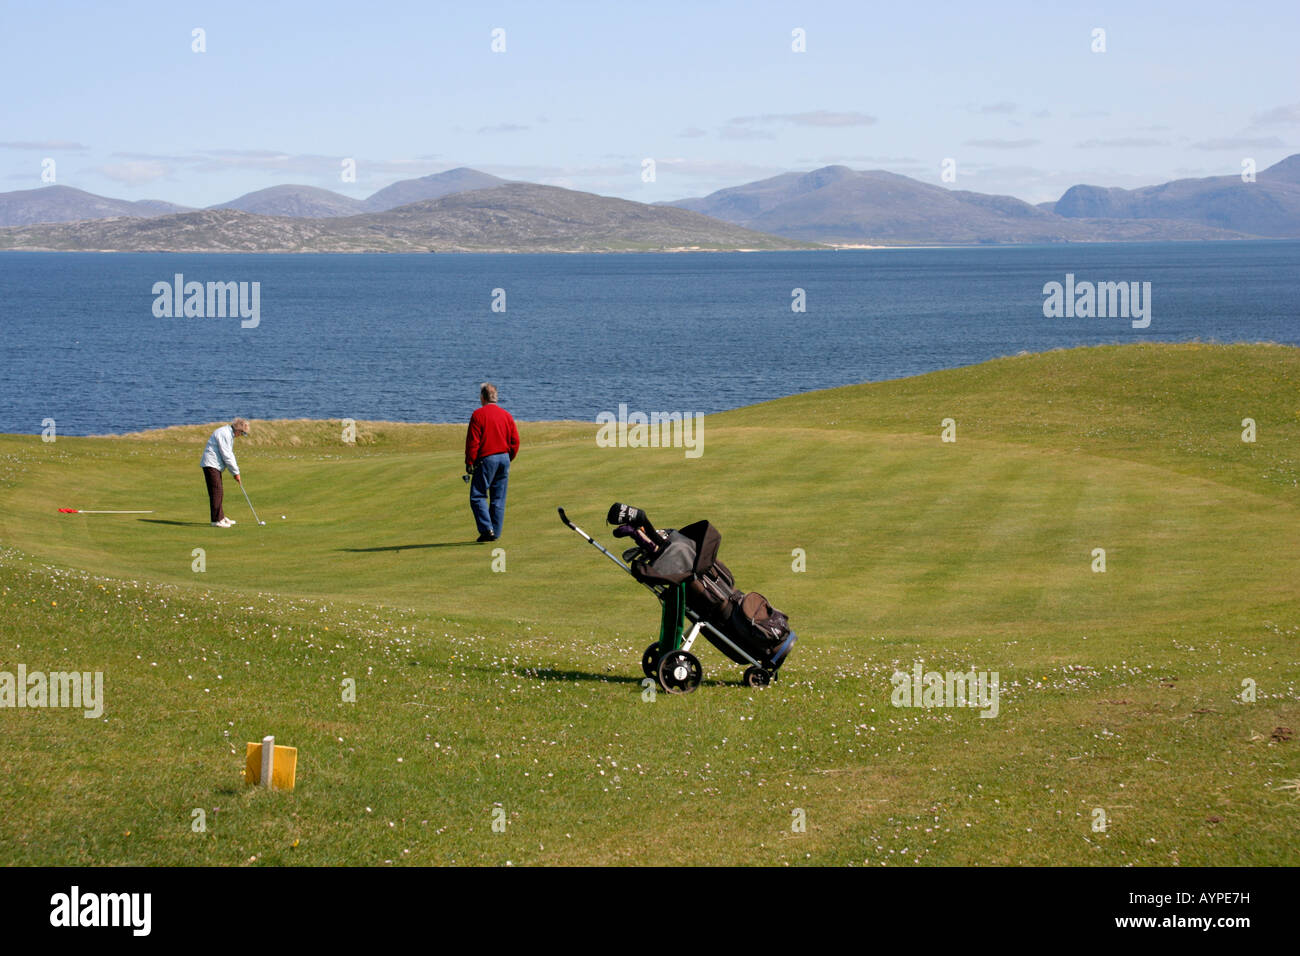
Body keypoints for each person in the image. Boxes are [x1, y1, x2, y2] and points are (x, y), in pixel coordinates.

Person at [464, 383, 520, 542]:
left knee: (477, 495)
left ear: (482, 397)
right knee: (498, 498)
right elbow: (515, 441)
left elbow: (473, 442)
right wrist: (508, 458)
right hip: (504, 458)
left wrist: (469, 462)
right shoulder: (506, 415)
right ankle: (494, 532)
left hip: (487, 459)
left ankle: (487, 529)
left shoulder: (478, 415)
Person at [201, 418, 249, 528]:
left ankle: (221, 517)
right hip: (211, 464)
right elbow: (227, 456)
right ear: (238, 430)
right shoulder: (224, 434)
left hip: (214, 465)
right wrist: (235, 473)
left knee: (218, 491)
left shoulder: (228, 433)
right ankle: (216, 520)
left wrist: (235, 472)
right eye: (242, 433)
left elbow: (229, 454)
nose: (241, 436)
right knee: (216, 492)